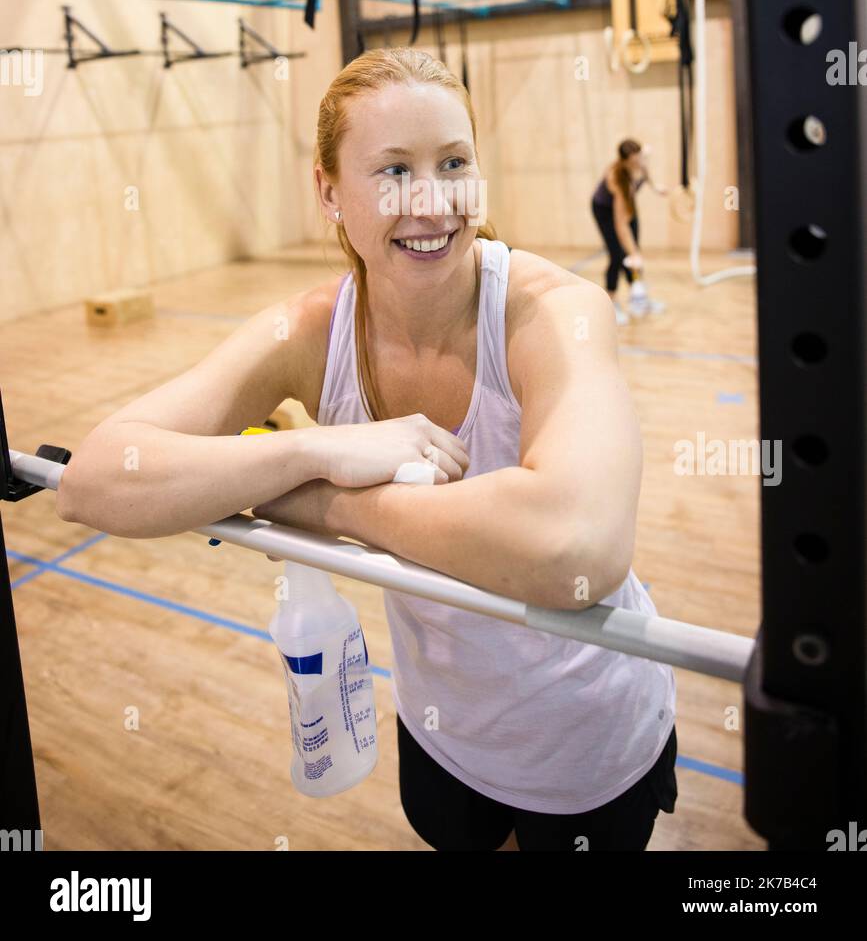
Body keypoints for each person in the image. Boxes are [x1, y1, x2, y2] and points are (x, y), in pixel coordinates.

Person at [57, 48, 677, 852]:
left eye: (454, 162)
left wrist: (324, 503)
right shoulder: (311, 331)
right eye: (391, 171)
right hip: (442, 730)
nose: (432, 201)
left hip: (587, 742)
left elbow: (574, 548)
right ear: (328, 192)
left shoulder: (552, 312)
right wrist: (311, 452)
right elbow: (97, 479)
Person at [591, 139, 667, 323]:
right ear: (625, 161)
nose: (639, 162)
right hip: (606, 211)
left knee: (633, 253)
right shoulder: (616, 178)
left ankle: (638, 297)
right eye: (635, 160)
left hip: (628, 206)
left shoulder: (640, 160)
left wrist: (655, 187)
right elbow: (620, 224)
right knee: (618, 254)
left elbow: (645, 169)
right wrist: (632, 252)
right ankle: (611, 304)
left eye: (640, 157)